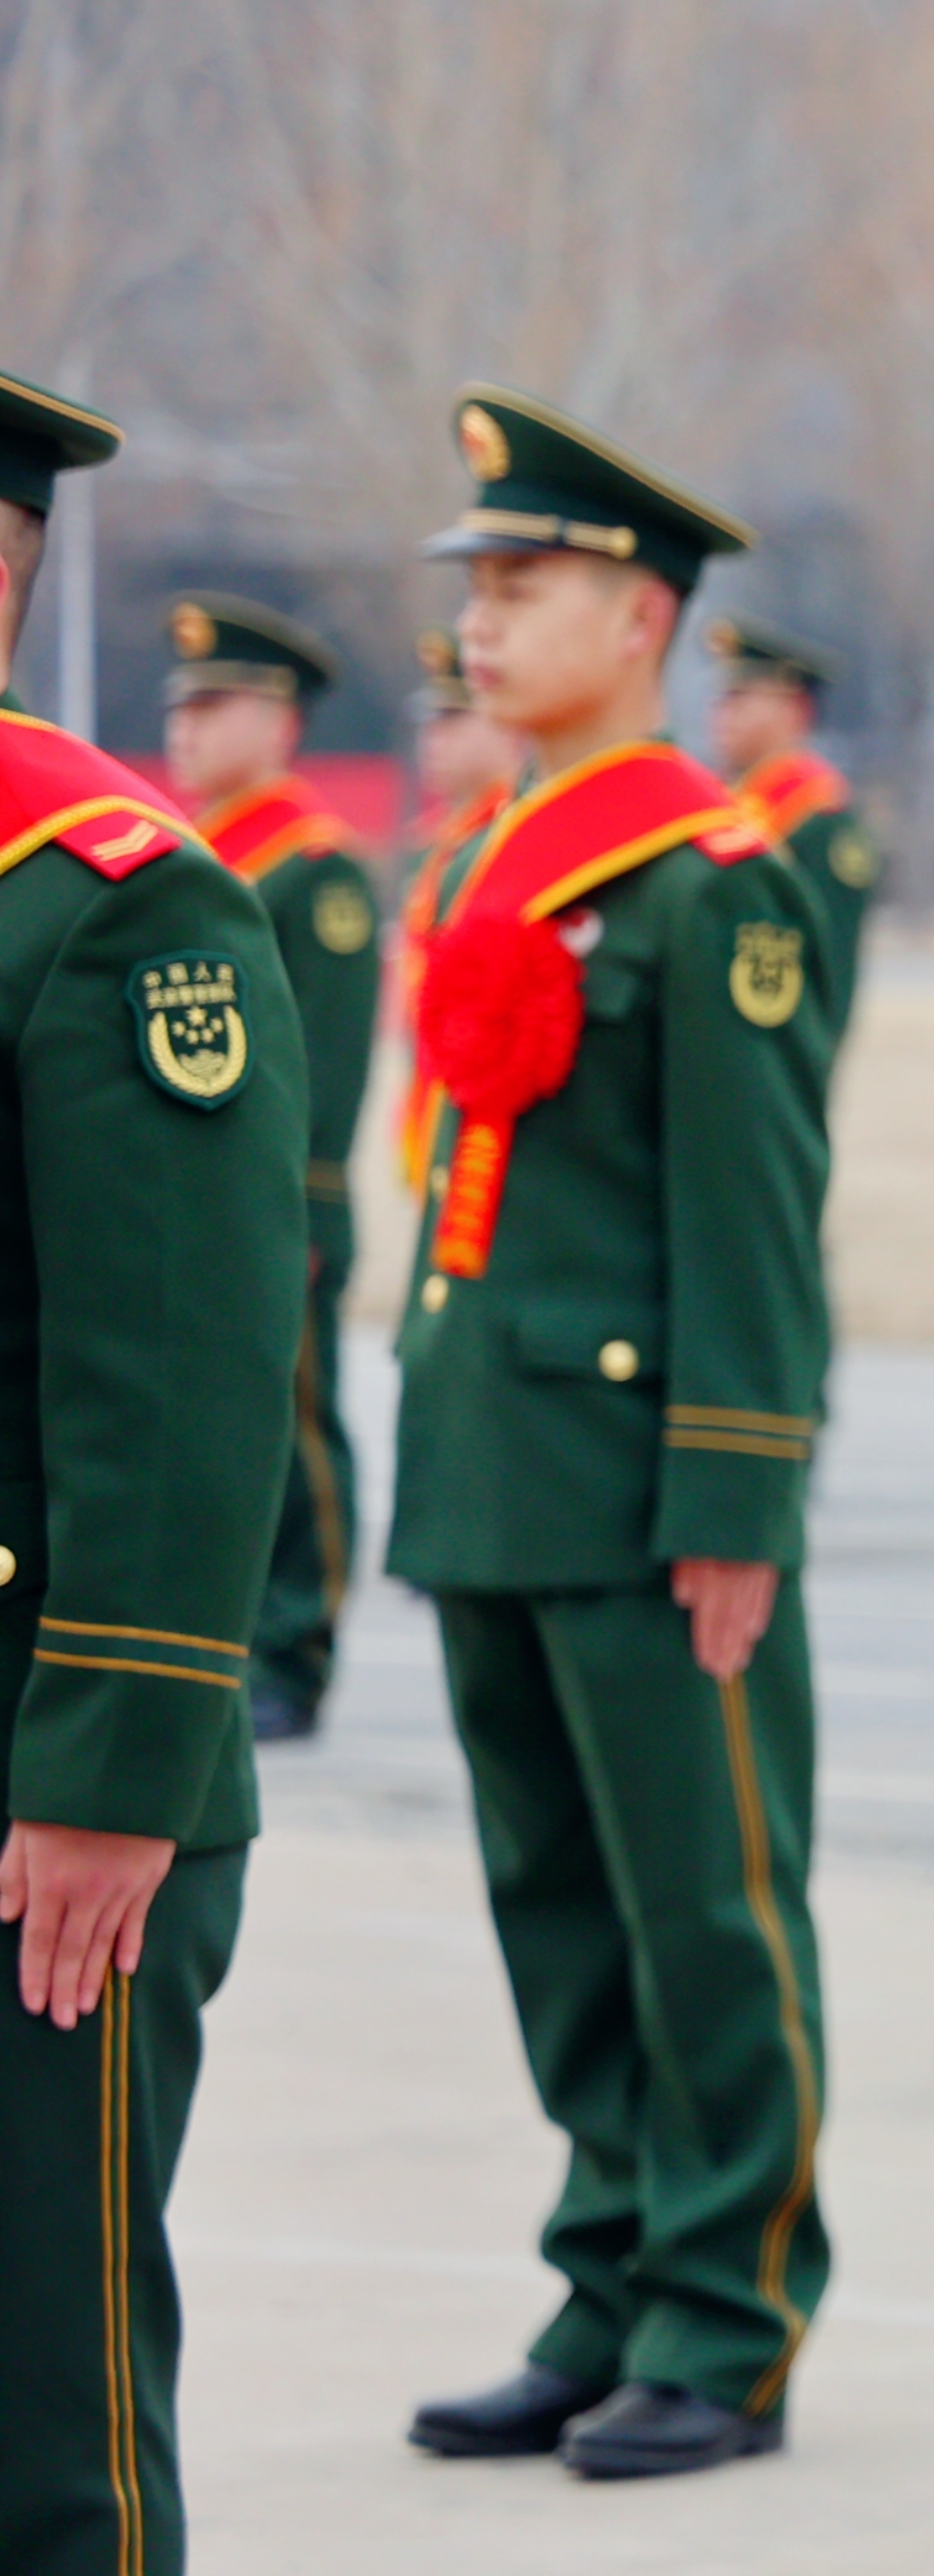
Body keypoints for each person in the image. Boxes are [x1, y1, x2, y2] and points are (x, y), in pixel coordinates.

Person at [390, 389, 834, 2482]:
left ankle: (728, 2315)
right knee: (556, 1901)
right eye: (473, 586)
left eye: (525, 582)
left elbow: (751, 1218)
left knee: (703, 1907)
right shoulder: (500, 848)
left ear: (642, 612)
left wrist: (740, 1486)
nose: (481, 623)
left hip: (654, 1484)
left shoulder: (707, 887)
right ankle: (609, 2276)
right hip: (503, 1461)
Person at [0, 378, 312, 2572]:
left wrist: (113, 1763)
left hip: (37, 1770)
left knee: (40, 2408)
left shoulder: (108, 902)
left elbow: (189, 1366)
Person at [164, 594, 382, 1741]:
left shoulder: (317, 872)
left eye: (217, 704)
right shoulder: (194, 858)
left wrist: (299, 1205)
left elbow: (327, 1065)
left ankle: (299, 1642)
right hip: (200, 1204)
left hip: (286, 1200)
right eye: (182, 708)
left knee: (295, 1430)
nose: (189, 729)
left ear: (280, 721)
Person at [389, 625, 519, 1216]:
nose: (432, 741)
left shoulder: (511, 841)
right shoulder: (438, 845)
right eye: (429, 724)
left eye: (453, 721)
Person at [703, 616, 879, 1048]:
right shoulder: (723, 803)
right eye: (723, 699)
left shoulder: (822, 822)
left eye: (741, 697)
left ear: (794, 711)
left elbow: (830, 976)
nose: (723, 714)